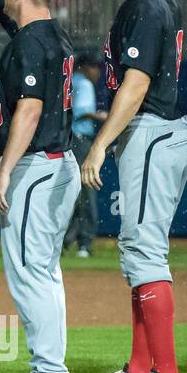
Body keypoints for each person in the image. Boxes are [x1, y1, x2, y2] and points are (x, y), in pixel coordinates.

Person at [79, 0, 187, 373]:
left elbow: (137, 83)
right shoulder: (160, 3)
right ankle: (139, 369)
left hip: (151, 132)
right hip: (160, 133)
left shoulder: (144, 7)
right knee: (138, 250)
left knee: (144, 250)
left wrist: (101, 142)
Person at [0, 0, 80, 373]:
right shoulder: (55, 35)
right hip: (60, 163)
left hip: (35, 166)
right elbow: (15, 16)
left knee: (28, 273)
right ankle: (53, 372)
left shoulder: (29, 44)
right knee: (44, 272)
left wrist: (5, 171)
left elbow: (30, 110)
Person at [66, 53, 106, 258]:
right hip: (80, 141)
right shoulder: (84, 84)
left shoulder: (68, 81)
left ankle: (65, 239)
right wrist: (103, 116)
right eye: (94, 67)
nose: (97, 72)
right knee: (87, 191)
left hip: (66, 142)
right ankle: (85, 243)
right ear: (83, 67)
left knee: (69, 194)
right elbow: (82, 110)